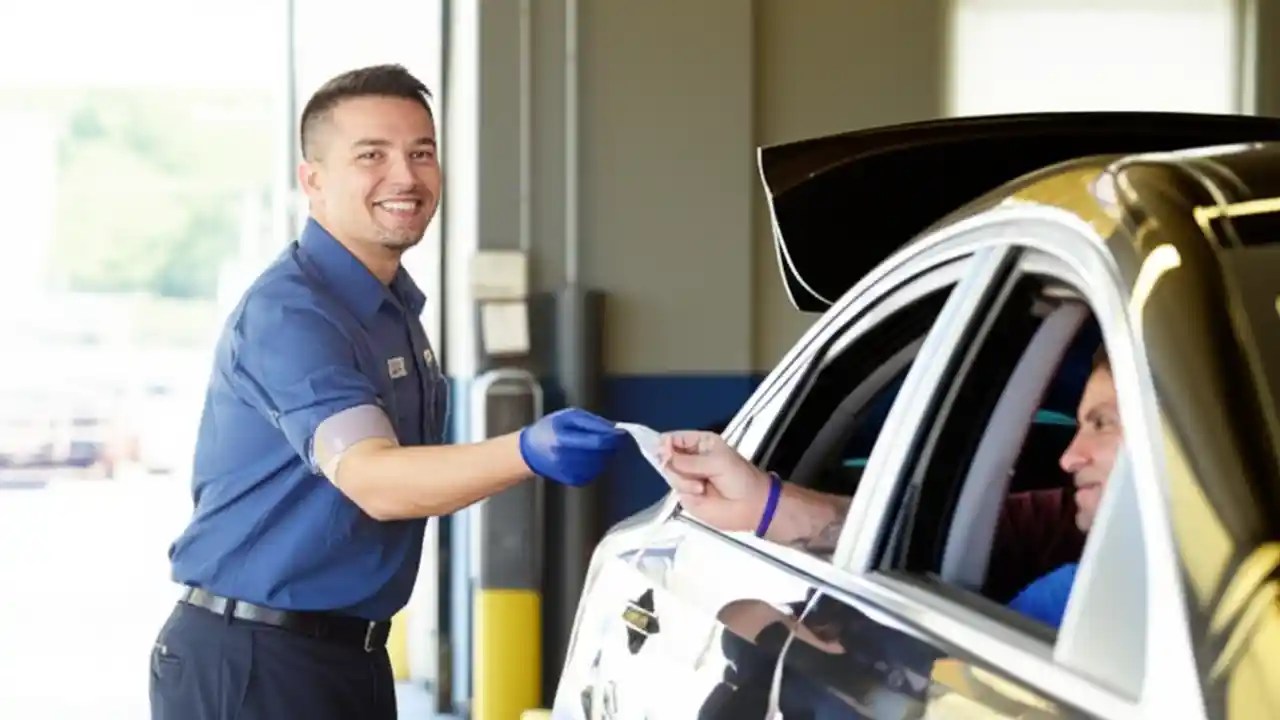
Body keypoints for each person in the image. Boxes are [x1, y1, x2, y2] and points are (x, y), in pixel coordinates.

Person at [149, 64, 626, 720]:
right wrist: (526, 450)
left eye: (421, 153)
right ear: (312, 180)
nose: (405, 176)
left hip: (349, 656)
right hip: (256, 664)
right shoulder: (293, 315)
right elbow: (375, 480)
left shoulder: (391, 309)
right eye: (371, 155)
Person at [659, 347, 1121, 631]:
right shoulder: (1066, 565)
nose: (1069, 457)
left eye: (1102, 423)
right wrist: (764, 504)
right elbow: (929, 536)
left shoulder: (1082, 599)